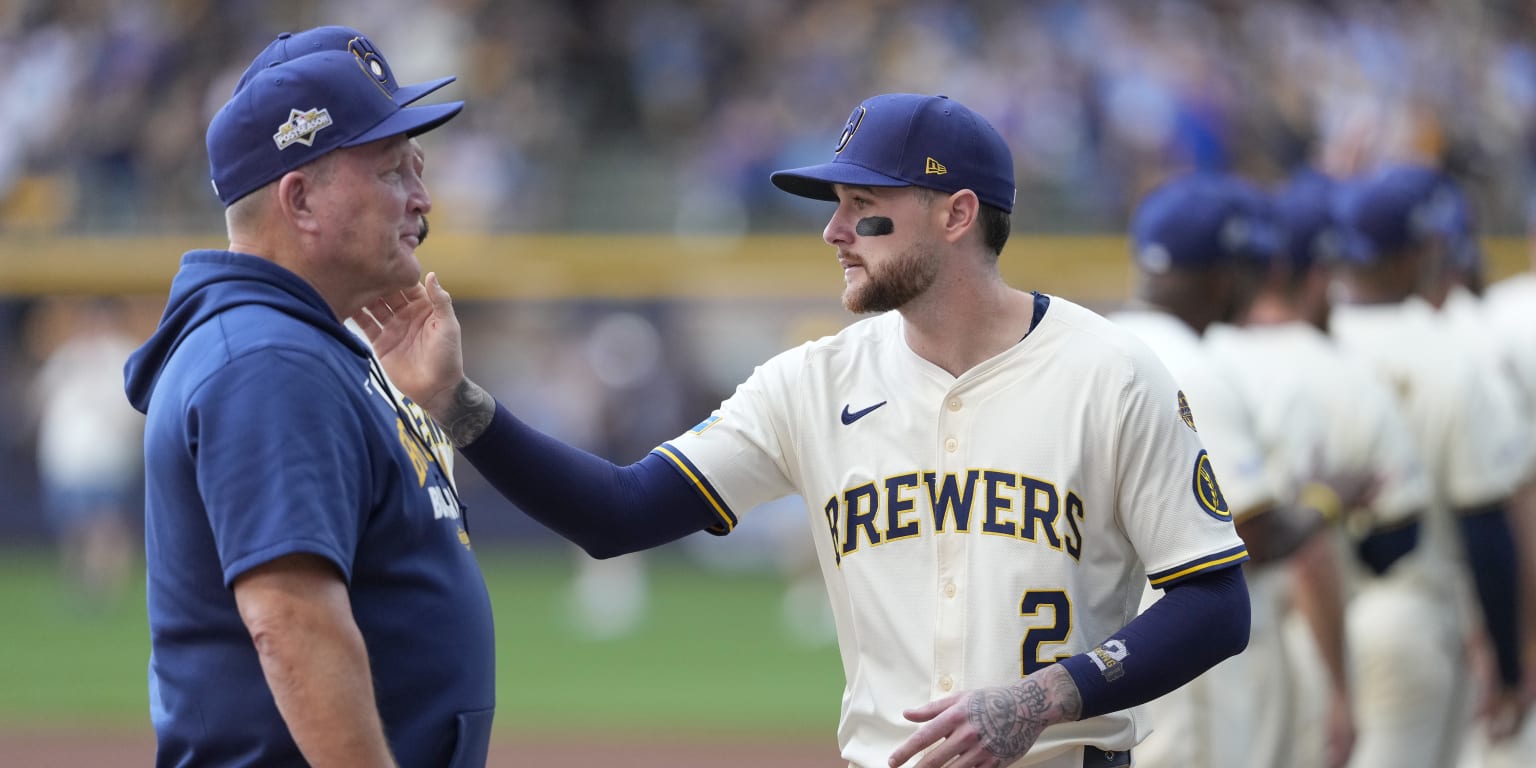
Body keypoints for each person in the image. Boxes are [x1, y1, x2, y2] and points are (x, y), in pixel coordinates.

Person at [357, 92, 1251, 768]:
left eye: (864, 205)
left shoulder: (1109, 371)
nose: (833, 231)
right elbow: (618, 514)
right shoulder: (811, 383)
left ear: (957, 214)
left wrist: (1050, 696)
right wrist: (456, 403)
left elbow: (1215, 601)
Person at [121, 30, 495, 767]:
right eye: (392, 173)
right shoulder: (267, 360)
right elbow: (293, 624)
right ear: (301, 201)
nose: (423, 200)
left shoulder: (298, 343)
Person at [1108, 171, 1348, 768]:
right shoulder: (1192, 365)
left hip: (1123, 639)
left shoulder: (1100, 342)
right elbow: (1251, 534)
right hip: (1192, 655)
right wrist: (1325, 501)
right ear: (1222, 278)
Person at [1203, 170, 1433, 768]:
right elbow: (1323, 553)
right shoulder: (1333, 371)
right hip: (1290, 638)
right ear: (1315, 275)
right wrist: (1339, 689)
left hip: (1180, 642)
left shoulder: (1200, 358)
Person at [1328, 163, 1527, 768]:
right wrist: (1512, 661)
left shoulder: (1311, 343)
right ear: (1422, 252)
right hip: (1411, 615)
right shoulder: (1453, 348)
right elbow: (1487, 527)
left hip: (1304, 614)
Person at [31, 296, 144, 607]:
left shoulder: (125, 356)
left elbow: (135, 410)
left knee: (107, 524)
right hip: (66, 459)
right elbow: (40, 399)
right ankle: (79, 589)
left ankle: (108, 591)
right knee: (72, 525)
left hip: (108, 456)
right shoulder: (69, 356)